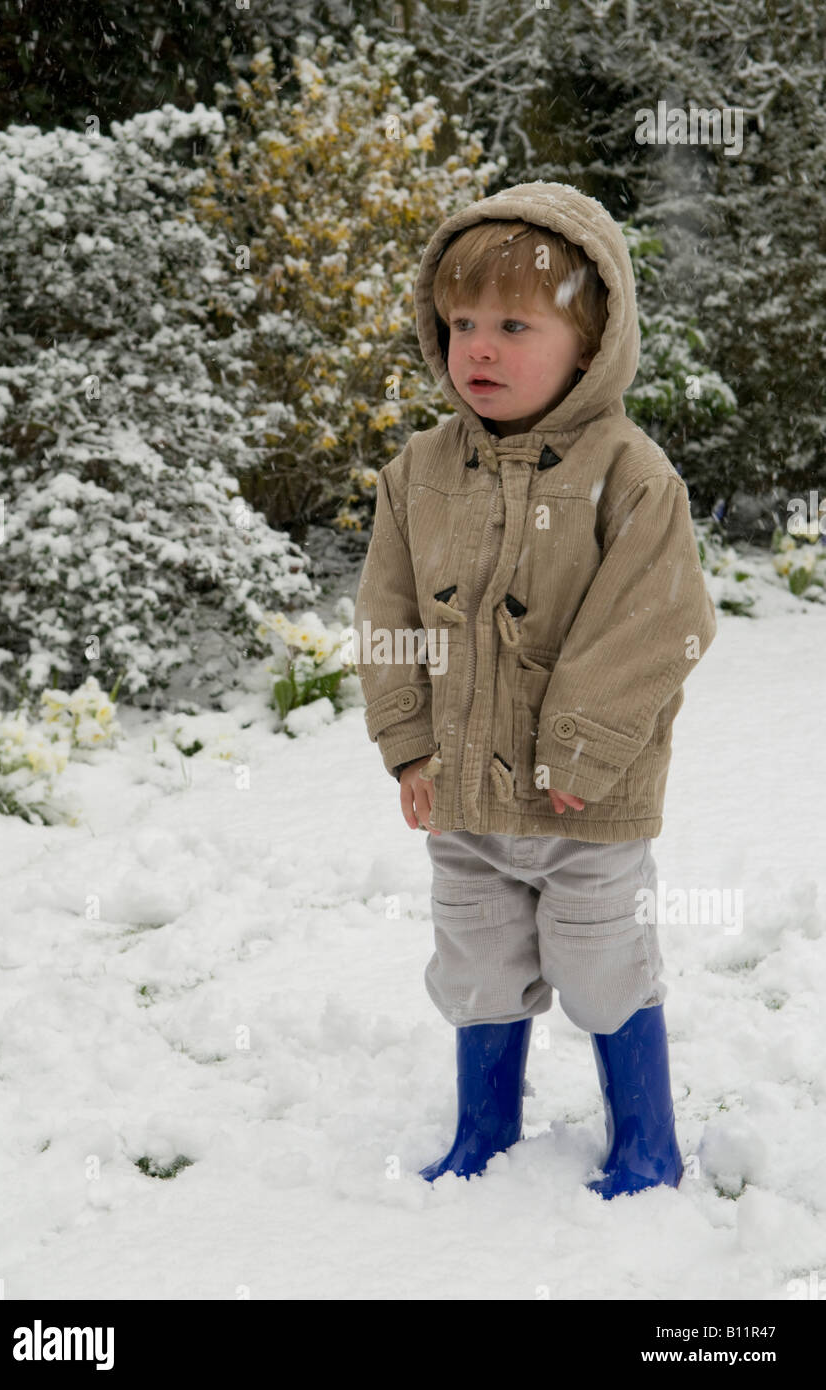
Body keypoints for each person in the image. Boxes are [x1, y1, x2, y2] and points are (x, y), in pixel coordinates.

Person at [352, 181, 717, 1198]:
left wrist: (580, 749)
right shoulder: (416, 472)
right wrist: (409, 747)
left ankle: (645, 1141)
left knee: (601, 965)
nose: (478, 346)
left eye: (514, 324)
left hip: (585, 805)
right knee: (474, 962)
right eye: (461, 322)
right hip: (462, 801)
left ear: (590, 337)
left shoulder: (632, 476)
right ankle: (483, 1129)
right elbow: (386, 616)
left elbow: (657, 622)